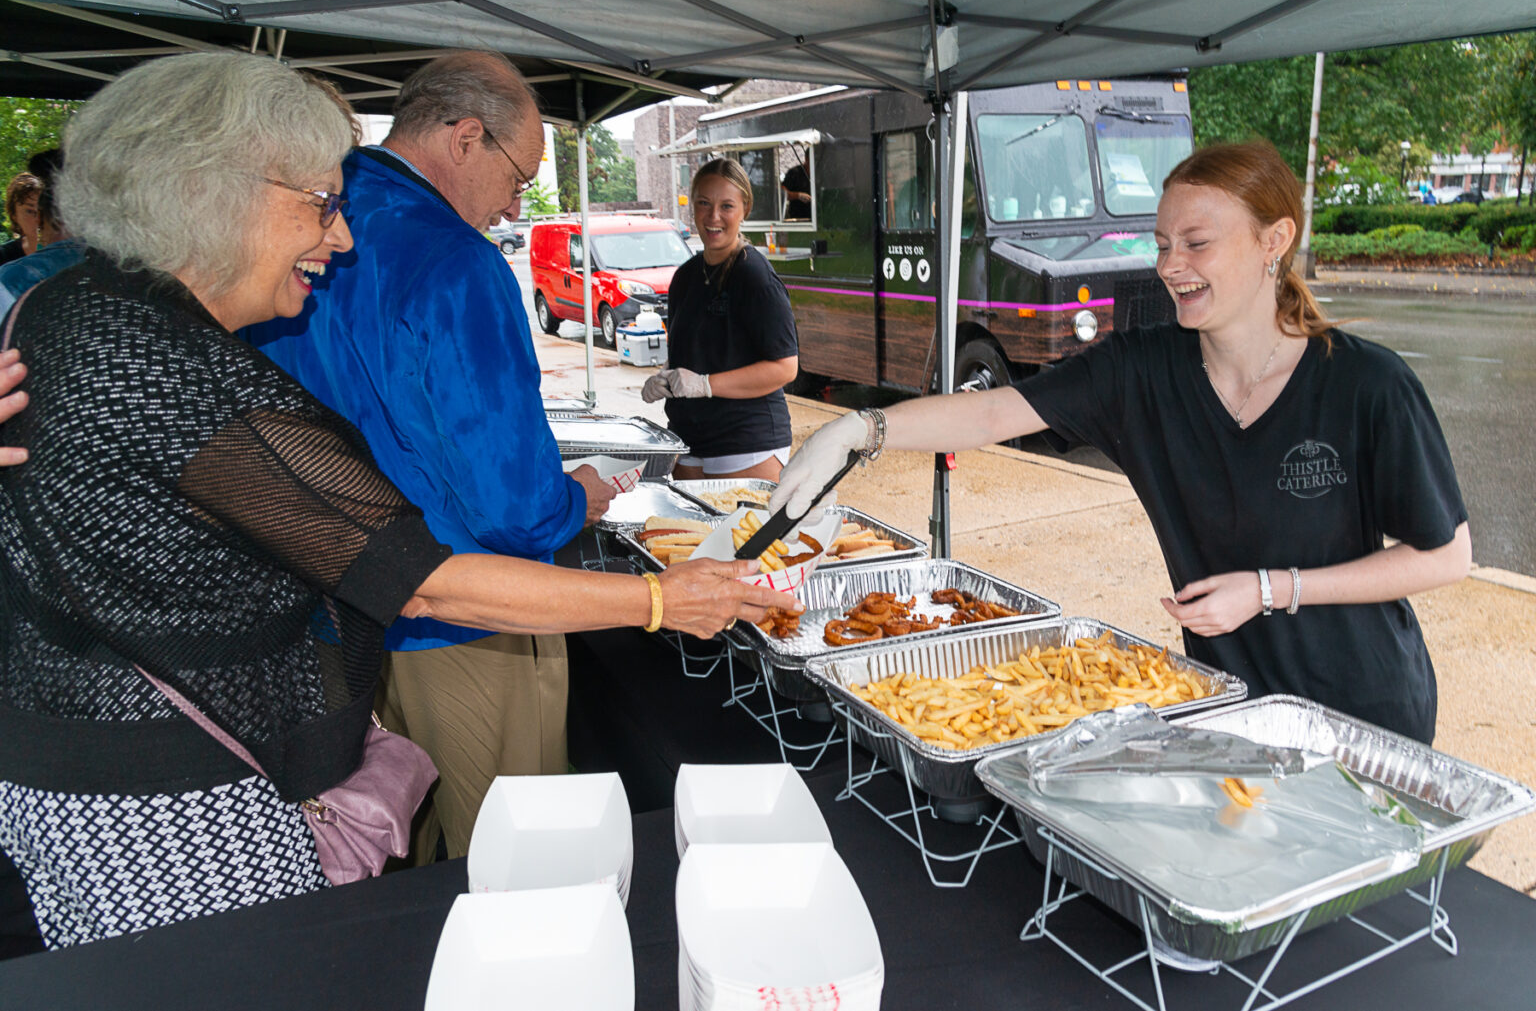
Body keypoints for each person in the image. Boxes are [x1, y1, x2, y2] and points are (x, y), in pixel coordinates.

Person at [0, 51, 796, 950]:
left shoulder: (63, 306)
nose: (341, 239)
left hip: (98, 776)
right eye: (319, 203)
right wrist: (658, 599)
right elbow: (421, 578)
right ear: (211, 194)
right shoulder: (166, 368)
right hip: (165, 811)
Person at [771, 140, 1470, 744]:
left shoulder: (1367, 383)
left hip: (1364, 715)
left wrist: (1269, 589)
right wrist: (862, 429)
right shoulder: (1142, 370)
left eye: (1196, 243)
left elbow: (1446, 554)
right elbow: (990, 415)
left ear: (1274, 240)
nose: (1171, 265)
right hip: (1230, 712)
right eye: (1163, 245)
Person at [244, 52, 616, 865]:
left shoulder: (294, 224)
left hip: (335, 611)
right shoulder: (456, 260)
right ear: (465, 138)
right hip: (466, 615)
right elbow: (511, 503)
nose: (514, 204)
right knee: (517, 853)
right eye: (518, 178)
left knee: (392, 850)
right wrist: (576, 498)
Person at [641, 158, 799, 482]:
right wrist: (666, 377)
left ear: (745, 210)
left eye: (726, 206)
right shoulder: (685, 277)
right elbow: (693, 349)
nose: (713, 216)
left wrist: (705, 384)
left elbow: (785, 367)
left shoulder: (754, 276)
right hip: (688, 440)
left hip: (746, 442)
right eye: (704, 203)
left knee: (738, 521)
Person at [0, 151, 86, 321]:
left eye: (35, 211)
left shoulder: (13, 279)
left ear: (41, 215)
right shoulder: (127, 268)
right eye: (28, 211)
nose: (32, 219)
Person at [0, 174, 40, 267]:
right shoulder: (3, 257)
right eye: (30, 211)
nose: (38, 218)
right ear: (14, 216)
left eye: (43, 209)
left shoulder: (69, 252)